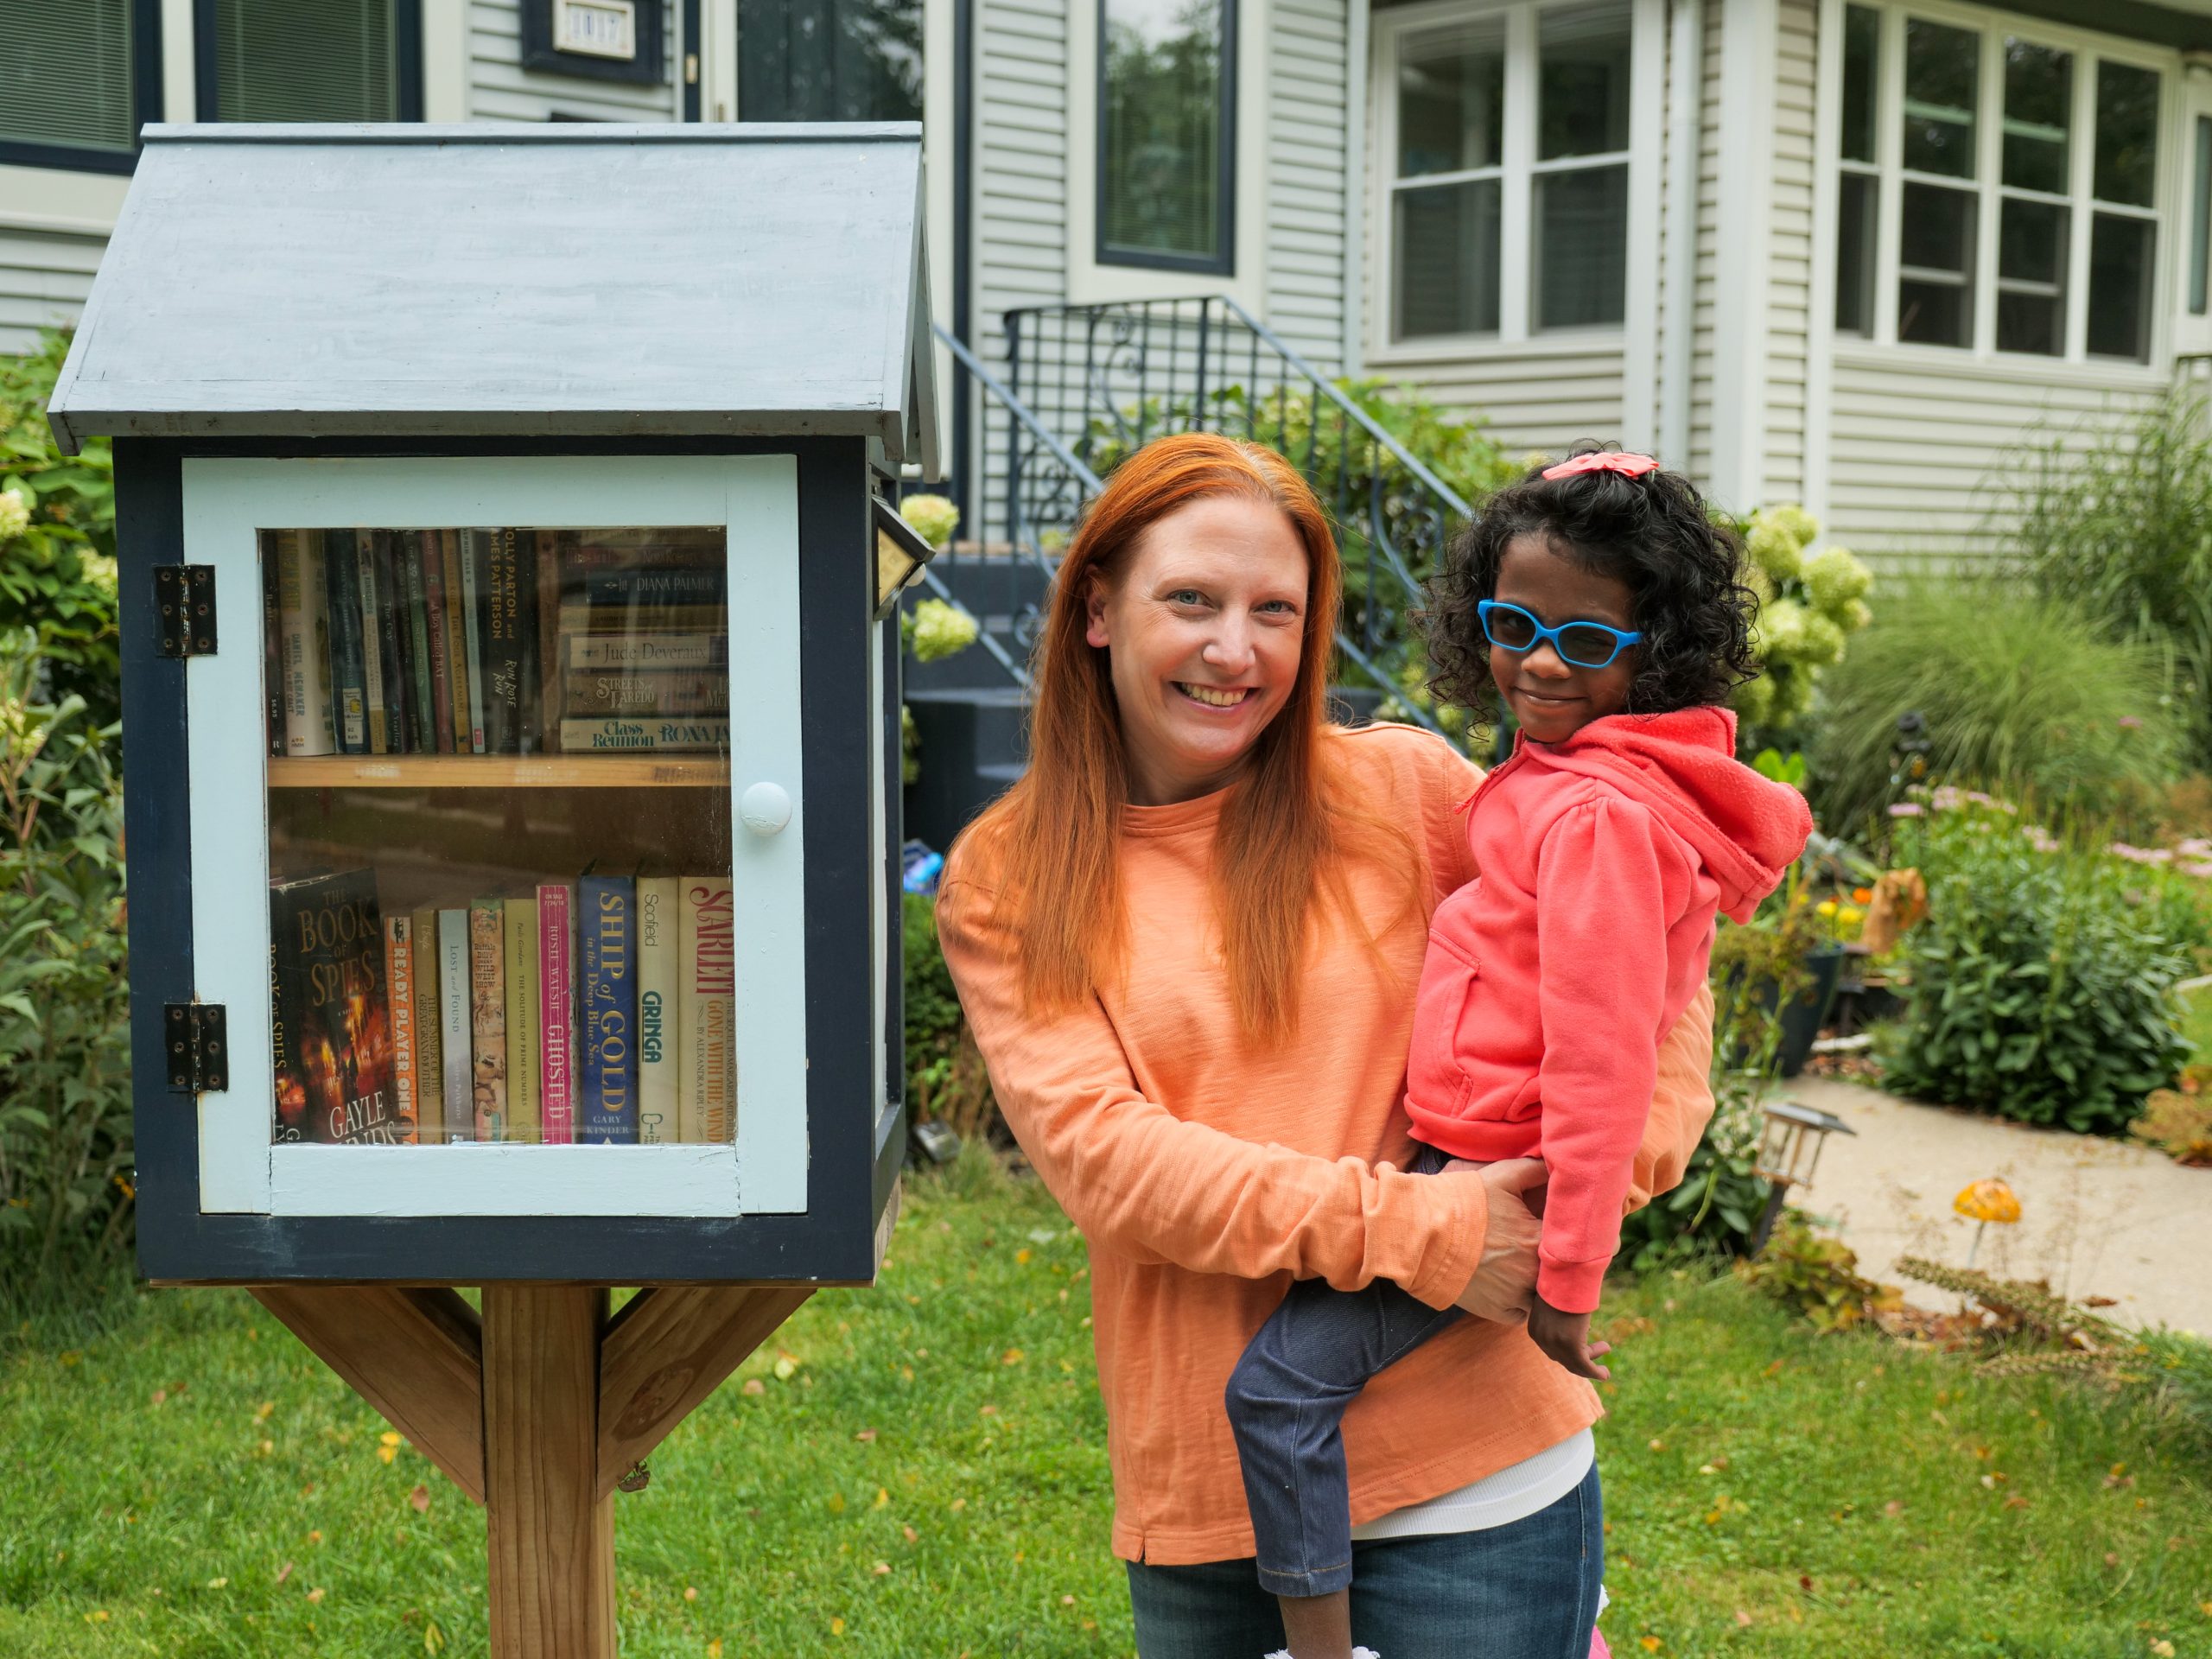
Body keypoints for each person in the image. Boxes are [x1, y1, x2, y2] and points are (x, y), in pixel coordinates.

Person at [935, 432, 1725, 1656]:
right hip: (1212, 1491)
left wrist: (1578, 1192)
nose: (1234, 650)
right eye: (1190, 600)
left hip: (1475, 1481)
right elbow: (1111, 1163)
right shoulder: (1014, 876)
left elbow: (1648, 981)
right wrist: (1434, 1233)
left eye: (1276, 612)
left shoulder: (1407, 788)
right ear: (1096, 608)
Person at [1223, 448, 1815, 1659]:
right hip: (1458, 1155)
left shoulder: (1598, 816)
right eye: (1513, 626)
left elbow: (1605, 1067)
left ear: (1660, 651)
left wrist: (1568, 1275)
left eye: (1587, 641)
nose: (1541, 663)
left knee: (1278, 1390)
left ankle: (1321, 1653)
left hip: (1496, 1178)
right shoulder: (1571, 776)